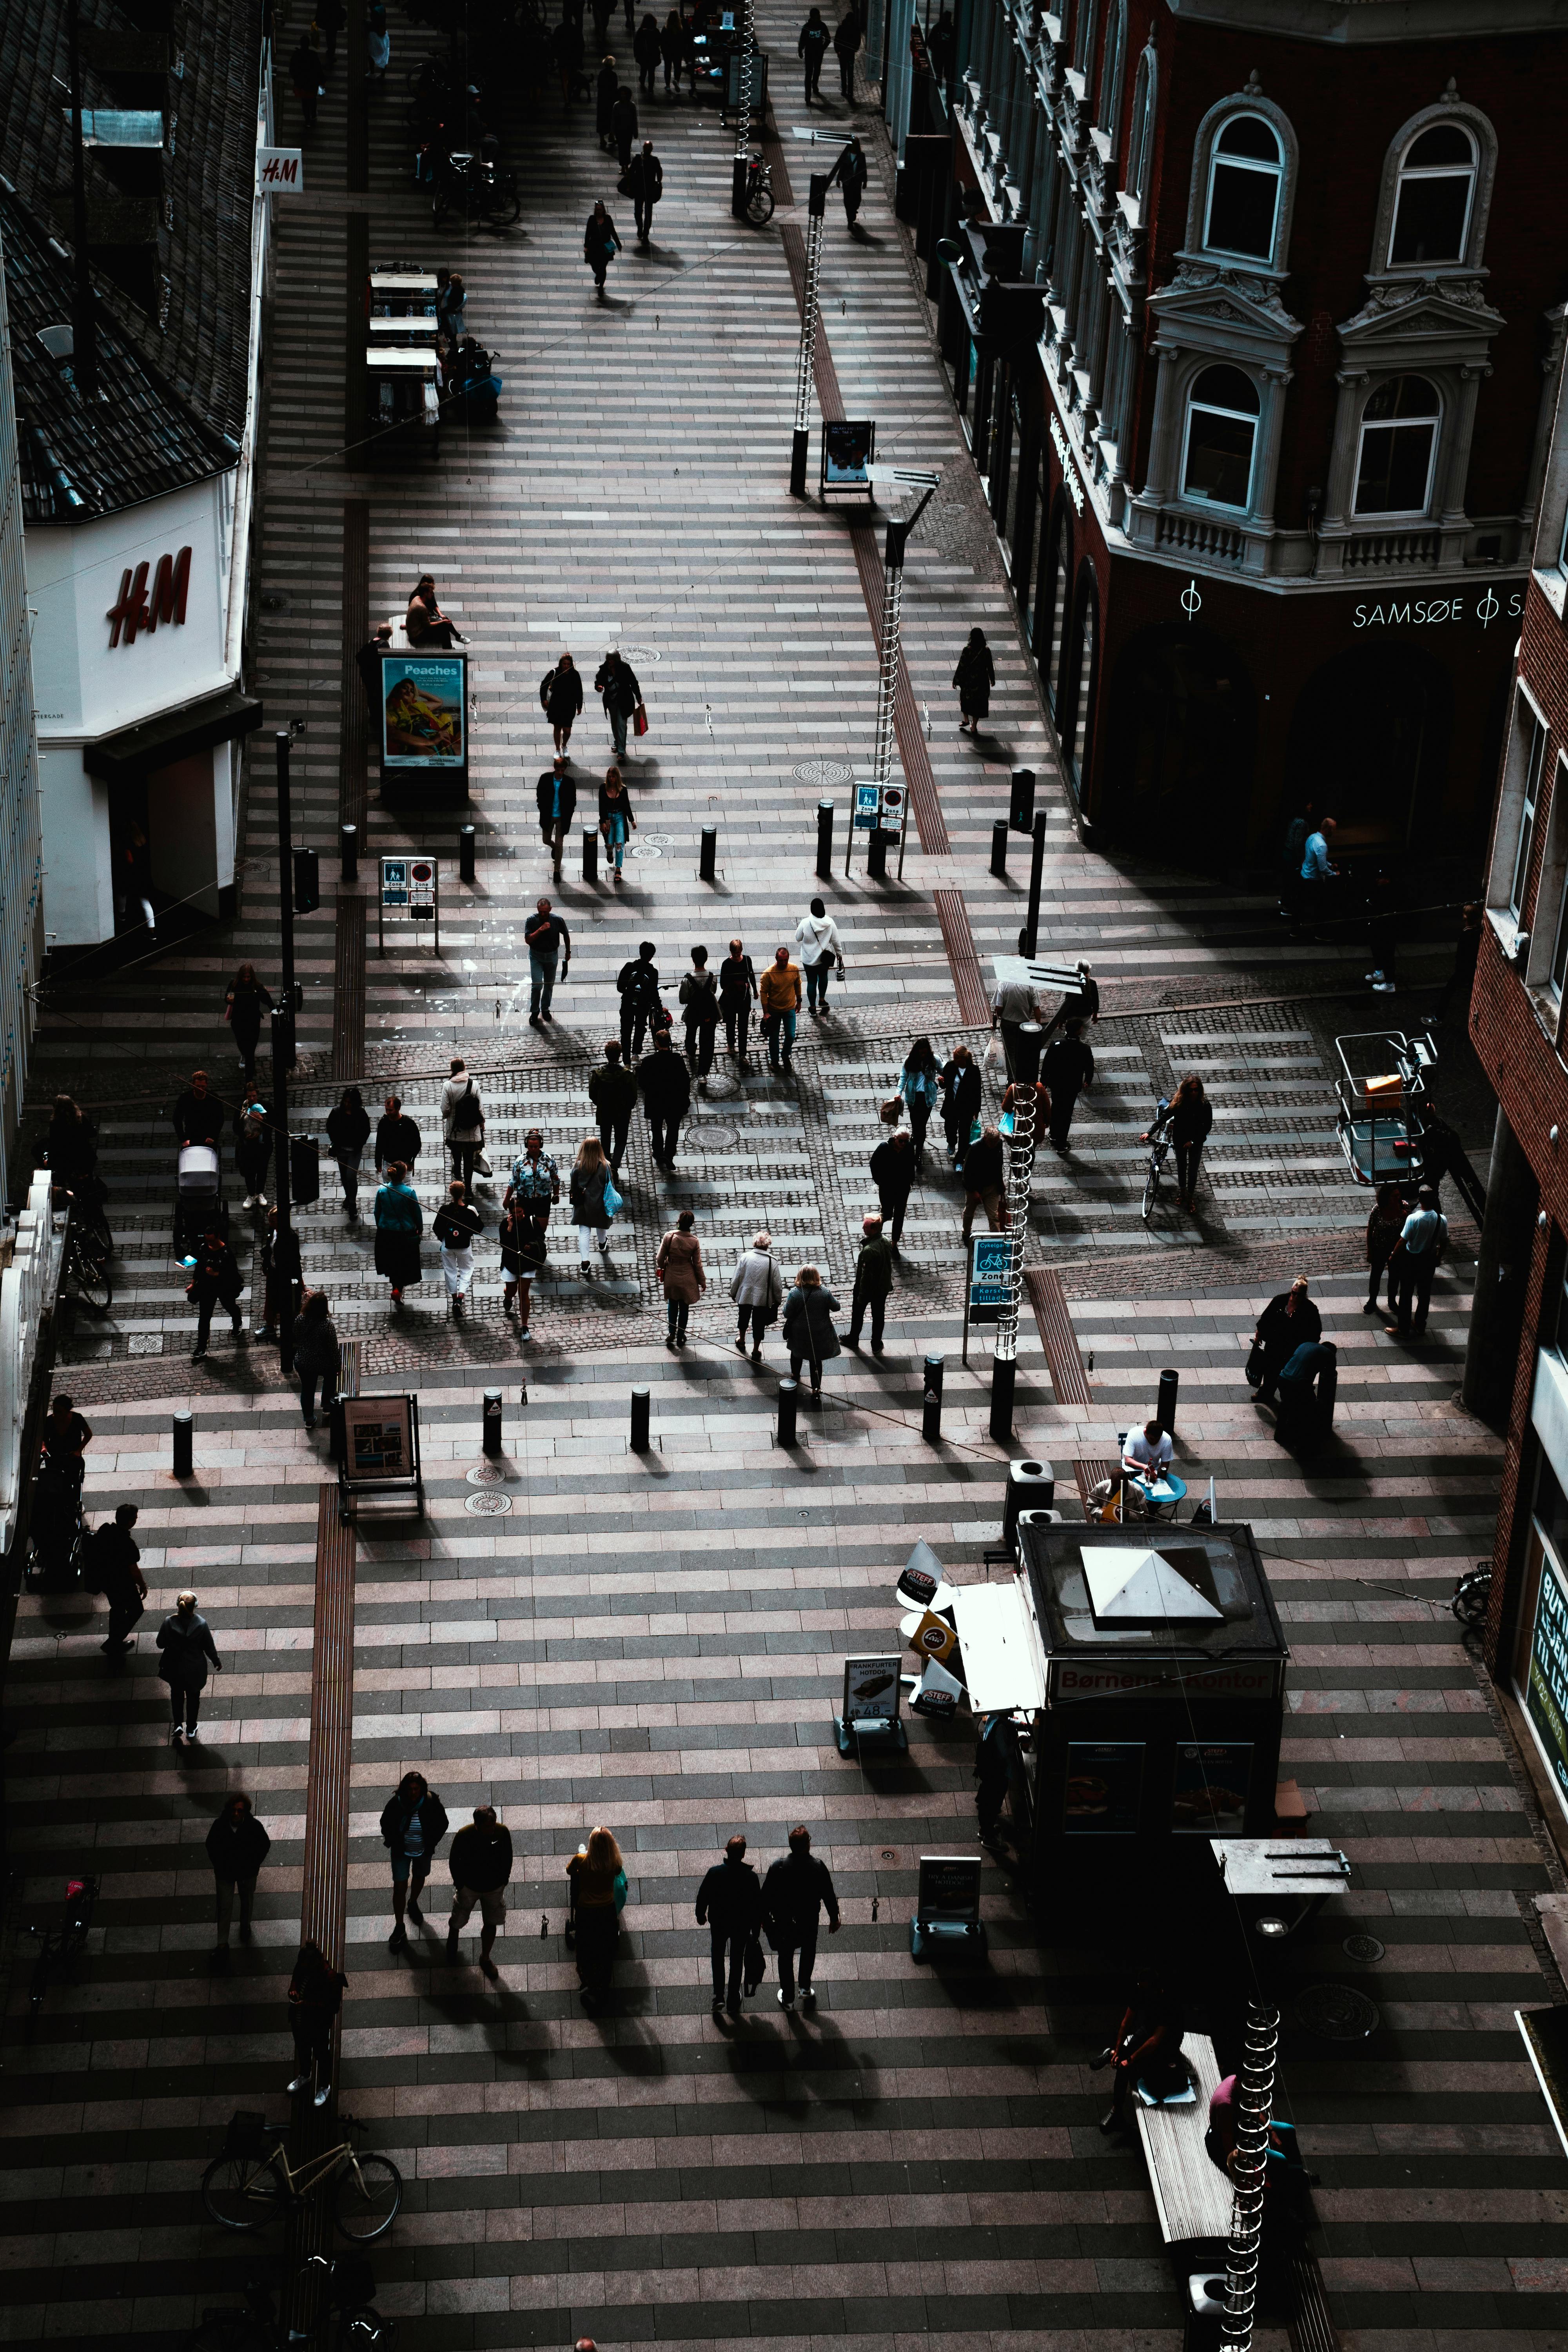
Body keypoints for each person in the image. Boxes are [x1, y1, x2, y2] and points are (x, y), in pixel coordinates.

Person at [762, 1825, 839, 2010]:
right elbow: (828, 1893)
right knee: (809, 1950)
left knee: (786, 1957)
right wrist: (834, 1917)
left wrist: (764, 1919)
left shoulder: (778, 1867)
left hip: (784, 1921)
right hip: (809, 1919)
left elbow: (765, 1897)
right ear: (807, 1845)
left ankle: (788, 1999)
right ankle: (804, 1988)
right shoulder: (818, 1867)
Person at [1099, 1973, 1187, 2136]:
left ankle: (1112, 2056)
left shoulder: (1167, 2003)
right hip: (1148, 2030)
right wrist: (1119, 2050)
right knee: (1124, 2064)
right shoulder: (1141, 1990)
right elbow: (1126, 2022)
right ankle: (1116, 2111)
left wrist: (1130, 2060)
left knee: (1130, 2068)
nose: (1141, 1990)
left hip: (1168, 2042)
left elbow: (1155, 2041)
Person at [695, 1833, 764, 2020]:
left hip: (719, 1923)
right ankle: (733, 1998)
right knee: (736, 1961)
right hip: (741, 1926)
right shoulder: (751, 1878)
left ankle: (719, 1996)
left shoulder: (715, 1873)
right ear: (743, 1855)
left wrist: (701, 1915)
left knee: (717, 1956)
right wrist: (756, 1931)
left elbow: (703, 1896)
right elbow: (757, 1906)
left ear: (726, 1851)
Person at [382, 1771, 449, 1949]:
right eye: (410, 1789)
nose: (413, 1793)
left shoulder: (430, 1802)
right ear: (405, 1789)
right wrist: (394, 1841)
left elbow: (443, 1823)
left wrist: (431, 1842)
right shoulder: (396, 1804)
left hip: (423, 1852)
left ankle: (413, 1903)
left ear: (422, 1789)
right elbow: (385, 1824)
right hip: (401, 1853)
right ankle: (399, 1925)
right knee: (399, 1887)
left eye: (416, 1789)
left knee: (420, 1877)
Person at [446, 1805, 513, 1976]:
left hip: (494, 1888)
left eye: (493, 1825)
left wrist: (503, 1880)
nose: (492, 1830)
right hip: (469, 1887)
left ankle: (485, 1958)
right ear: (477, 1825)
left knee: (491, 1922)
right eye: (487, 1827)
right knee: (459, 1917)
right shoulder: (465, 1835)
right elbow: (454, 1860)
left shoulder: (502, 1832)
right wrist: (460, 1884)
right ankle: (452, 1943)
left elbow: (508, 1857)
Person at [567, 1826, 627, 2009]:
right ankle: (603, 1983)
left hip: (586, 1910)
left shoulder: (581, 1860)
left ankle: (586, 1980)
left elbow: (570, 1871)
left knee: (585, 1946)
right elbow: (618, 1872)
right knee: (605, 1948)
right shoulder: (613, 1864)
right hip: (607, 1909)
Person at [208, 1792, 271, 1958]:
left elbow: (264, 1845)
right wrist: (220, 1865)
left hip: (246, 1873)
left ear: (245, 1812)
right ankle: (223, 1943)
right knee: (224, 1906)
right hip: (226, 1873)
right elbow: (211, 1846)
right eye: (234, 1810)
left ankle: (245, 1926)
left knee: (247, 1901)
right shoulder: (220, 1826)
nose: (236, 1814)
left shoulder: (254, 1827)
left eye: (240, 1811)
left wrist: (253, 1864)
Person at [157, 1591, 221, 1748]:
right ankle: (191, 1728)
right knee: (194, 1699)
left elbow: (160, 1643)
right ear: (194, 1607)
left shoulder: (169, 1623)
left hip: (175, 1668)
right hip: (194, 1670)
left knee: (177, 1696)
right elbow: (209, 1647)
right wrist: (216, 1661)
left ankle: (178, 1724)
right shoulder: (201, 1624)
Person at [287, 1938, 346, 2107]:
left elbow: (332, 2006)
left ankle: (325, 2086)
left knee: (322, 2054)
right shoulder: (303, 1965)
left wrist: (305, 2004)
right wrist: (293, 1990)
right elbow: (295, 1978)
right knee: (303, 2049)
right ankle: (305, 2075)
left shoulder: (329, 1977)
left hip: (318, 2024)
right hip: (300, 2021)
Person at [1142, 1074, 1212, 1215]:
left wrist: (1192, 1141)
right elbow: (1164, 1118)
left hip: (1196, 1142)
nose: (1194, 1093)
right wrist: (1150, 1133)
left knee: (1193, 1170)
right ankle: (1182, 1192)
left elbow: (1207, 1128)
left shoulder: (1204, 1105)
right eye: (1191, 1090)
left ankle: (1190, 1197)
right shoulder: (1179, 1103)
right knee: (1181, 1166)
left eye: (1196, 1090)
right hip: (1180, 1140)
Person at [1387, 1185, 1447, 1342]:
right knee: (1425, 1294)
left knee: (1406, 1295)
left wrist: (1393, 1256)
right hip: (1429, 1261)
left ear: (1420, 1200)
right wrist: (1439, 1257)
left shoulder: (1414, 1218)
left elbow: (1403, 1240)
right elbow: (1444, 1241)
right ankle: (1420, 1324)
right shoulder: (1442, 1219)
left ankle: (1403, 1328)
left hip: (1412, 1260)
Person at [1249, 1274, 1321, 1405]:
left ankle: (1287, 1401)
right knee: (1270, 1371)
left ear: (1304, 1295)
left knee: (1289, 1376)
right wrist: (1259, 1335)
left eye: (1299, 1295)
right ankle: (1266, 1393)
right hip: (1275, 1344)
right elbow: (1266, 1319)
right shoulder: (1280, 1301)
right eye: (1293, 1293)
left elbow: (1316, 1332)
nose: (1294, 1296)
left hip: (1293, 1349)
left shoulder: (1310, 1310)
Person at [1417, 1103, 1487, 1224]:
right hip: (1437, 1167)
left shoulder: (1431, 1131)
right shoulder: (1440, 1124)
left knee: (1432, 1195)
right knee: (1434, 1195)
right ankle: (1439, 1222)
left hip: (1432, 1168)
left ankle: (1438, 1223)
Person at [783, 1264, 840, 1399]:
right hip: (819, 1332)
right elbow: (837, 1307)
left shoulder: (795, 1293)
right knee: (816, 1360)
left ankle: (795, 1376)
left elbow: (787, 1313)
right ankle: (816, 1389)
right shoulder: (824, 1292)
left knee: (796, 1353)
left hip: (799, 1332)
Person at [187, 1225, 243, 1361]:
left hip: (224, 1286)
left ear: (218, 1237)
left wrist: (216, 1274)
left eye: (211, 1241)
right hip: (208, 1287)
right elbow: (199, 1267)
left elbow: (233, 1273)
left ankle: (238, 1322)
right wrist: (193, 1283)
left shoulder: (226, 1253)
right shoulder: (204, 1248)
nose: (209, 1244)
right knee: (204, 1317)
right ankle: (201, 1348)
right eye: (207, 1241)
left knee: (230, 1306)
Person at [374, 1160, 423, 1308]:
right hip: (404, 1233)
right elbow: (417, 1213)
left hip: (386, 1232)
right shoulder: (409, 1193)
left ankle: (396, 1288)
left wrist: (381, 1226)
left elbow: (377, 1212)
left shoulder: (382, 1191)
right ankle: (398, 1289)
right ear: (403, 1175)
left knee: (392, 1261)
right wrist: (419, 1229)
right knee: (403, 1262)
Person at [639, 1030, 691, 1167]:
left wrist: (650, 1092)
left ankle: (658, 1152)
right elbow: (686, 1080)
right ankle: (669, 1154)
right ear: (669, 1042)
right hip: (674, 1102)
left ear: (657, 1043)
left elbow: (642, 1082)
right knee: (673, 1129)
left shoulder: (649, 1061)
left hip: (656, 1101)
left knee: (656, 1128)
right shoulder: (677, 1060)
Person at [730, 1230, 784, 1359]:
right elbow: (777, 1284)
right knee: (759, 1324)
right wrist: (778, 1299)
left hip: (745, 1294)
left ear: (755, 1243)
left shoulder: (745, 1257)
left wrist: (733, 1292)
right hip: (762, 1299)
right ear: (767, 1245)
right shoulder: (772, 1262)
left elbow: (737, 1277)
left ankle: (742, 1340)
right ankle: (755, 1350)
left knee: (743, 1317)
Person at [1274, 1337, 1338, 1447]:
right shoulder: (1329, 1354)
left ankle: (1279, 1434)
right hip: (1299, 1384)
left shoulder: (1306, 1344)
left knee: (1286, 1404)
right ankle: (1296, 1439)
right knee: (1303, 1408)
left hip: (1283, 1378)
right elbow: (1330, 1375)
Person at [657, 1207, 706, 1346]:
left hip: (672, 1275)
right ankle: (681, 1335)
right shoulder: (694, 1241)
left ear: (678, 1221)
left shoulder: (669, 1236)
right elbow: (697, 1264)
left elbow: (660, 1259)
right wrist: (702, 1281)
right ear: (691, 1225)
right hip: (687, 1278)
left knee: (672, 1304)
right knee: (684, 1307)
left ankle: (671, 1332)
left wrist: (664, 1265)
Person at [1041, 1021, 1093, 1151]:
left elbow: (1047, 1064)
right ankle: (1061, 1144)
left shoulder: (1056, 1044)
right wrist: (1088, 1079)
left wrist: (1044, 1080)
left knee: (1056, 1108)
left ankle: (1053, 1134)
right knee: (1066, 1115)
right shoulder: (1085, 1049)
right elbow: (1089, 1066)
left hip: (1057, 1084)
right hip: (1072, 1087)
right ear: (1079, 1031)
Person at [499, 1199, 548, 1336]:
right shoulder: (505, 1224)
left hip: (527, 1262)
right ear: (510, 1213)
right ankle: (508, 1298)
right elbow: (504, 1244)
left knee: (523, 1293)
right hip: (511, 1262)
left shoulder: (532, 1222)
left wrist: (531, 1245)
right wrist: (509, 1228)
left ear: (524, 1211)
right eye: (515, 1213)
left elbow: (541, 1238)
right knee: (511, 1290)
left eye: (520, 1212)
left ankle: (525, 1326)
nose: (518, 1215)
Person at [847, 1214, 895, 1353]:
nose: (863, 1227)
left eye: (866, 1226)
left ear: (874, 1229)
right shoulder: (886, 1241)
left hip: (869, 1289)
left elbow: (866, 1277)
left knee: (858, 1313)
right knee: (879, 1316)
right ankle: (876, 1344)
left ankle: (854, 1338)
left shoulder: (869, 1251)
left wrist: (861, 1297)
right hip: (883, 1287)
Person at [586, 1042, 637, 1170]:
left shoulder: (598, 1074)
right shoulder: (627, 1075)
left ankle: (607, 1165)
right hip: (622, 1113)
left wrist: (600, 1104)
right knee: (621, 1140)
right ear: (620, 1055)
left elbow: (592, 1094)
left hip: (605, 1111)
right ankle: (615, 1165)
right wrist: (628, 1107)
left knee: (606, 1139)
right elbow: (633, 1096)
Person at [570, 1135, 618, 1272]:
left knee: (584, 1233)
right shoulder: (605, 1166)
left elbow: (573, 1186)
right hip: (599, 1204)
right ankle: (602, 1244)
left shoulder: (578, 1166)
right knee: (600, 1225)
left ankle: (585, 1264)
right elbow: (611, 1186)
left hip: (583, 1205)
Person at [292, 1291, 339, 1426]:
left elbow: (296, 1336)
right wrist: (337, 1365)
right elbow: (333, 1348)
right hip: (323, 1361)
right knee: (330, 1378)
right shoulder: (327, 1325)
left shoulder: (300, 1319)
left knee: (307, 1389)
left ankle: (309, 1419)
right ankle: (326, 1405)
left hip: (304, 1361)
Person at [434, 1180, 482, 1314]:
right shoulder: (470, 1210)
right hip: (464, 1246)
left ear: (451, 1193)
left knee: (450, 1271)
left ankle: (454, 1299)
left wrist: (443, 1238)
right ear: (463, 1193)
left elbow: (436, 1228)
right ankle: (460, 1298)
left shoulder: (444, 1210)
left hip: (448, 1246)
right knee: (467, 1270)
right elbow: (479, 1228)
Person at [327, 1085, 371, 1221]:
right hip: (341, 1150)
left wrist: (359, 1144)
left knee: (351, 1176)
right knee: (344, 1177)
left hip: (354, 1152)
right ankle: (349, 1196)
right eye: (346, 1101)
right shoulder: (336, 1112)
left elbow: (366, 1131)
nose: (347, 1104)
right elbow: (330, 1128)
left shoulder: (361, 1114)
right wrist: (336, 1141)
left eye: (350, 1102)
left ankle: (352, 1203)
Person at [526, 897, 572, 1027]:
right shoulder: (532, 920)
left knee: (549, 984)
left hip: (552, 956)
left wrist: (568, 952)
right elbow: (528, 940)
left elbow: (566, 935)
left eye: (545, 912)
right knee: (537, 985)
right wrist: (541, 930)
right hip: (536, 956)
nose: (542, 914)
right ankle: (535, 1011)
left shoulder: (557, 920)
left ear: (550, 910)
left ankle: (545, 1008)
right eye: (540, 911)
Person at [869, 1125, 915, 1250]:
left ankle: (894, 1245)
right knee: (887, 1213)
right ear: (895, 1138)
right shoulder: (885, 1148)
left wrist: (911, 1180)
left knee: (900, 1216)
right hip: (887, 1188)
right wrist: (879, 1180)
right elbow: (873, 1163)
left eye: (907, 1141)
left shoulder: (910, 1148)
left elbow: (912, 1164)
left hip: (903, 1188)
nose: (904, 1144)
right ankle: (876, 1234)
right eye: (901, 1141)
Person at [442, 1057, 486, 1189]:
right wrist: (482, 1122)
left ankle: (457, 1170)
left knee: (456, 1152)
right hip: (471, 1129)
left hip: (455, 1129)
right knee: (468, 1159)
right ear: (464, 1067)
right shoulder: (474, 1084)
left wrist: (448, 1116)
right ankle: (468, 1189)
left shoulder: (448, 1086)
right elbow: (480, 1107)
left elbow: (445, 1109)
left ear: (452, 1070)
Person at [794, 898, 844, 1017]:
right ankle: (822, 1000)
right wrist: (839, 955)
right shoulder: (830, 922)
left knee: (811, 982)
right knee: (823, 977)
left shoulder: (806, 922)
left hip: (808, 959)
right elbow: (836, 941)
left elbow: (798, 937)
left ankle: (812, 1007)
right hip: (824, 959)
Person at [594, 648, 644, 761]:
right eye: (608, 659)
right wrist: (599, 686)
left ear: (616, 659)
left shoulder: (625, 668)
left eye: (611, 659)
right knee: (614, 724)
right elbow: (599, 680)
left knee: (622, 725)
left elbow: (633, 682)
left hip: (624, 701)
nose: (609, 661)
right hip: (611, 702)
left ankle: (621, 750)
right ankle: (617, 742)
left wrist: (638, 696)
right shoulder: (604, 668)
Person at [975, 1711, 1016, 1847]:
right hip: (998, 1772)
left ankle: (986, 1830)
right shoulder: (1001, 1728)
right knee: (994, 1804)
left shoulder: (992, 1718)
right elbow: (1003, 1753)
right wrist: (1017, 1743)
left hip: (990, 1770)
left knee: (989, 1802)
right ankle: (989, 1839)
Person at [679, 948, 721, 1080]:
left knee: (691, 1033)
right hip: (710, 1012)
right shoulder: (713, 977)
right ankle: (703, 1072)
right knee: (708, 1041)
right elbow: (713, 991)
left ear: (693, 960)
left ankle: (691, 1052)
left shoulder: (687, 980)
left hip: (694, 1012)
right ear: (706, 959)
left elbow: (683, 999)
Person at [224, 964, 274, 1077]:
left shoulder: (257, 987)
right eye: (244, 977)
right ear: (240, 977)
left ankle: (250, 1075)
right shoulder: (234, 985)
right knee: (242, 1043)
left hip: (253, 1020)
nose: (246, 979)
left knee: (251, 1047)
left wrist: (274, 1010)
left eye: (248, 977)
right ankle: (245, 1057)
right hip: (239, 1020)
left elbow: (267, 999)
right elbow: (227, 999)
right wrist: (229, 1000)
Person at [991, 970, 1042, 1078]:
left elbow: (998, 1007)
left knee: (1010, 1053)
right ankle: (1021, 1075)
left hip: (1007, 1024)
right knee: (1022, 1051)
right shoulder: (1030, 985)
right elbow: (1037, 1008)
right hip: (1024, 1025)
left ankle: (1012, 1079)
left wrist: (997, 1020)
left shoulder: (1004, 984)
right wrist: (1039, 1026)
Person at [938, 1042, 981, 1172]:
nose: (954, 1060)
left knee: (964, 1135)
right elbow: (945, 1086)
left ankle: (960, 1160)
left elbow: (977, 1091)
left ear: (963, 1059)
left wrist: (976, 1110)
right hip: (952, 1106)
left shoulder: (974, 1071)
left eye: (957, 1058)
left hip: (966, 1108)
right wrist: (942, 1083)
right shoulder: (950, 1067)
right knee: (949, 1129)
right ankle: (952, 1142)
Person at [1365, 1183, 1406, 1316]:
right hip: (1379, 1248)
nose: (1398, 1198)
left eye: (1399, 1195)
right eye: (1394, 1196)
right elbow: (1370, 1230)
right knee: (1376, 1275)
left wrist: (1404, 1216)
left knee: (1395, 1276)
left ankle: (1392, 1301)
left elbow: (1408, 1230)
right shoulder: (1378, 1209)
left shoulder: (1404, 1207)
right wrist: (1370, 1251)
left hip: (1396, 1249)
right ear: (1387, 1197)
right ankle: (1372, 1300)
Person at [1439, 901, 1484, 1023]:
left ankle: (1438, 1018)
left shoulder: (1466, 934)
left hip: (1463, 970)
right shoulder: (1478, 931)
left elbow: (1461, 955)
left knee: (1448, 992)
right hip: (1472, 968)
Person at [899, 1038, 941, 1165]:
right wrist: (898, 1093)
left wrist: (944, 1079)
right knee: (915, 1122)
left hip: (927, 1098)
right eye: (921, 1053)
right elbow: (903, 1077)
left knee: (922, 1125)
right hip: (913, 1097)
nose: (923, 1055)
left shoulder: (934, 1060)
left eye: (925, 1053)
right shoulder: (910, 1061)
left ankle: (918, 1154)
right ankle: (916, 1136)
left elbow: (945, 1071)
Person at [962, 1124, 1006, 1241]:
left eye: (997, 1142)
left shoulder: (998, 1144)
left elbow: (999, 1165)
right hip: (975, 1188)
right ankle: (966, 1233)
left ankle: (995, 1240)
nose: (995, 1144)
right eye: (993, 1142)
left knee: (994, 1217)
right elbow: (967, 1173)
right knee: (969, 1212)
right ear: (986, 1139)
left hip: (992, 1186)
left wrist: (1001, 1183)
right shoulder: (974, 1149)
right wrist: (973, 1192)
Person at [760, 946, 801, 1073]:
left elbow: (797, 984)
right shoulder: (768, 974)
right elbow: (763, 993)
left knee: (791, 1035)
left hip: (789, 1008)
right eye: (781, 960)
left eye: (786, 960)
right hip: (774, 1010)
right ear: (776, 959)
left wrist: (799, 1001)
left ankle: (785, 1055)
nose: (784, 963)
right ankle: (775, 1061)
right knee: (774, 1037)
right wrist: (766, 1012)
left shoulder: (793, 968)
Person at [617, 939, 661, 1056]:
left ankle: (626, 1059)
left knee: (626, 1031)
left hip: (627, 1004)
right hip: (643, 1005)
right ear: (651, 957)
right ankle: (636, 1054)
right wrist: (659, 1008)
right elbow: (654, 994)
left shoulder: (629, 967)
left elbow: (620, 987)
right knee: (640, 1029)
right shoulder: (653, 972)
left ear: (640, 953)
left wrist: (629, 991)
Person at [537, 755, 579, 877]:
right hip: (548, 816)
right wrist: (542, 808)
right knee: (546, 840)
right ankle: (554, 848)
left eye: (563, 770)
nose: (560, 772)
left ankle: (557, 871)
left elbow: (573, 801)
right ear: (555, 768)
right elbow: (540, 795)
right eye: (558, 770)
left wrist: (569, 813)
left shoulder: (570, 782)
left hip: (562, 817)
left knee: (560, 844)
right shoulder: (545, 779)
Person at [507, 1130, 561, 1223]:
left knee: (541, 1229)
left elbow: (555, 1178)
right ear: (526, 1146)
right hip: (524, 1199)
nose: (533, 1149)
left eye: (536, 1147)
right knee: (525, 1226)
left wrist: (556, 1195)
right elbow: (514, 1180)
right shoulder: (520, 1161)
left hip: (543, 1199)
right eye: (530, 1147)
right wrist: (507, 1199)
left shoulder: (549, 1160)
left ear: (540, 1146)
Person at [720, 940, 759, 1062]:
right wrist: (737, 984)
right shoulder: (726, 964)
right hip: (731, 998)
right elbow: (722, 984)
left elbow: (751, 975)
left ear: (741, 951)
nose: (736, 955)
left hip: (744, 998)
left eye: (738, 953)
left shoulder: (747, 960)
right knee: (730, 1022)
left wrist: (755, 990)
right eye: (734, 953)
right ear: (731, 951)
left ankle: (743, 1053)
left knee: (743, 1026)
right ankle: (731, 1045)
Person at [952, 627, 995, 735]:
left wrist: (956, 680)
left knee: (965, 699)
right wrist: (992, 679)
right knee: (979, 704)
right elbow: (990, 666)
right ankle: (974, 727)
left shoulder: (967, 650)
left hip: (969, 681)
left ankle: (966, 719)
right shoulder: (986, 651)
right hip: (982, 681)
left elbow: (961, 666)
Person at [1298, 815, 1338, 928]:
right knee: (1321, 906)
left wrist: (1331, 865)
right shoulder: (1322, 845)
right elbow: (1323, 869)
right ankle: (1319, 931)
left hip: (1304, 875)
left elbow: (1315, 859)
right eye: (1334, 829)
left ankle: (1298, 927)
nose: (1334, 832)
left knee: (1304, 903)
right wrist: (1335, 874)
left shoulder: (1312, 838)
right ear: (1328, 829)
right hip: (1314, 880)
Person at [540, 653, 584, 756]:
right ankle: (557, 749)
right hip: (556, 705)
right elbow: (544, 685)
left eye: (568, 664)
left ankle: (564, 745)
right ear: (561, 663)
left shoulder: (575, 674)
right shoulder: (555, 672)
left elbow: (579, 691)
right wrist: (543, 700)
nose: (566, 666)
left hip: (569, 706)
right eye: (564, 664)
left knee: (567, 730)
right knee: (557, 727)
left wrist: (580, 706)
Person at [405, 574, 465, 649]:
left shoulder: (418, 598)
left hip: (419, 625)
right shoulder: (422, 608)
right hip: (417, 635)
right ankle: (449, 650)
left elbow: (433, 605)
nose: (433, 594)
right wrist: (442, 622)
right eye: (431, 592)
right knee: (444, 629)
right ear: (425, 593)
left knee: (444, 622)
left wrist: (441, 617)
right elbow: (427, 625)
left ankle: (454, 642)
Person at [600, 765, 638, 879]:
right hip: (608, 818)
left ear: (617, 778)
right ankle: (609, 852)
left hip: (620, 816)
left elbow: (627, 806)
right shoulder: (603, 788)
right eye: (610, 777)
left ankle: (618, 870)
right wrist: (603, 821)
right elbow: (601, 806)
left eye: (613, 777)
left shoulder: (622, 789)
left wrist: (632, 821)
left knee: (619, 844)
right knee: (610, 844)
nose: (611, 779)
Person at [172, 1069, 225, 1149]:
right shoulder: (185, 1098)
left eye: (203, 1087)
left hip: (209, 1140)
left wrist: (213, 1136)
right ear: (193, 1085)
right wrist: (183, 1139)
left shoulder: (214, 1099)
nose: (200, 1089)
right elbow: (177, 1119)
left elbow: (220, 1119)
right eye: (198, 1086)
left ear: (206, 1085)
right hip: (190, 1139)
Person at [374, 1091, 421, 1177]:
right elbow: (380, 1143)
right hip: (388, 1163)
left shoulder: (409, 1123)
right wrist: (378, 1163)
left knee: (405, 1190)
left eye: (391, 1110)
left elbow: (417, 1144)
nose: (388, 1113)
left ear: (398, 1108)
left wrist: (411, 1162)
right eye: (387, 1109)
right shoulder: (384, 1123)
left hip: (405, 1164)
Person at [235, 1099, 270, 1211]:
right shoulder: (242, 1107)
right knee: (249, 1173)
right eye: (250, 1096)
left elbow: (271, 1125)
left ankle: (260, 1193)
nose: (252, 1098)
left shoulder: (263, 1106)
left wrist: (261, 1120)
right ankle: (251, 1194)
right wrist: (245, 1135)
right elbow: (236, 1127)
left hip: (261, 1146)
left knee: (261, 1172)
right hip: (247, 1146)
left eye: (254, 1095)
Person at [825, 134, 867, 227]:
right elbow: (842, 168)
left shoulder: (862, 156)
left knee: (857, 200)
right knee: (848, 201)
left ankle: (853, 211)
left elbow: (864, 168)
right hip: (847, 183)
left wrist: (865, 181)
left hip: (857, 182)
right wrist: (838, 180)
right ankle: (850, 220)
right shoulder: (847, 155)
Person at [585, 200, 623, 295]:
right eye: (597, 210)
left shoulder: (608, 219)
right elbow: (588, 233)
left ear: (603, 210)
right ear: (595, 210)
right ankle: (598, 275)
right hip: (594, 247)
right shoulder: (592, 219)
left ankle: (601, 287)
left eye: (601, 210)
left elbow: (613, 232)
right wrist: (586, 247)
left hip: (605, 248)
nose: (599, 212)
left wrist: (618, 244)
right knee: (594, 265)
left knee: (603, 267)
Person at [356, 621, 393, 715]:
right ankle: (377, 714)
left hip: (367, 673)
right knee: (377, 695)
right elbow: (386, 660)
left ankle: (373, 713)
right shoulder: (384, 644)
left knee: (371, 694)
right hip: (376, 674)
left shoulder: (373, 641)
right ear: (389, 635)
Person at [290, 30, 325, 124]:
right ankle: (313, 116)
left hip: (301, 84)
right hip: (312, 83)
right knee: (313, 100)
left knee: (305, 102)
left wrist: (296, 80)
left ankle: (307, 120)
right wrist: (322, 81)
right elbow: (319, 69)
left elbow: (292, 70)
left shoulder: (297, 55)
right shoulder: (313, 55)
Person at [798, 5, 829, 101]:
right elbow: (802, 40)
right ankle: (808, 95)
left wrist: (823, 48)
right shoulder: (807, 27)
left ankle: (814, 85)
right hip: (810, 53)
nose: (820, 17)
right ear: (813, 17)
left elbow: (828, 39)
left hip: (818, 53)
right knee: (809, 73)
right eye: (818, 16)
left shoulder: (822, 26)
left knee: (817, 70)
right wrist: (800, 51)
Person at [832, 4, 860, 98]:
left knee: (845, 73)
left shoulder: (842, 28)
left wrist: (838, 51)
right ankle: (848, 91)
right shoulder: (855, 29)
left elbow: (837, 40)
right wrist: (855, 49)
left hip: (844, 54)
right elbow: (858, 41)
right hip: (848, 54)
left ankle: (846, 90)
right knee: (849, 73)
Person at [610, 83, 639, 171]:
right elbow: (614, 119)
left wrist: (635, 131)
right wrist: (612, 132)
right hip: (620, 131)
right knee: (622, 149)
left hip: (628, 131)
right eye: (622, 94)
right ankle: (624, 166)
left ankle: (626, 166)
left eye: (624, 94)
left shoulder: (632, 106)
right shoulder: (617, 105)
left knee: (626, 148)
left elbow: (635, 119)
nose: (623, 96)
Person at [633, 12, 661, 93]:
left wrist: (636, 54)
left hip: (643, 55)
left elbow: (636, 43)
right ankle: (651, 88)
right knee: (652, 72)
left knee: (644, 69)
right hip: (653, 55)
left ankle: (642, 80)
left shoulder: (641, 31)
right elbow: (660, 42)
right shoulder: (655, 31)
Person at [595, 51, 619, 145]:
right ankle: (611, 136)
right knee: (612, 118)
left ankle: (602, 139)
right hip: (611, 100)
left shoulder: (602, 73)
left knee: (602, 118)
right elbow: (615, 87)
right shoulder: (614, 75)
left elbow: (599, 86)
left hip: (602, 99)